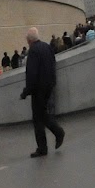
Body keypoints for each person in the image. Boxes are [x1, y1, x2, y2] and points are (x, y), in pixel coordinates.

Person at [21, 28, 65, 158]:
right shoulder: (47, 47)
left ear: (29, 40)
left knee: (38, 118)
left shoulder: (33, 51)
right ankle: (56, 134)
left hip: (38, 89)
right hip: (48, 86)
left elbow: (32, 73)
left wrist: (26, 91)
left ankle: (44, 145)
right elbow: (53, 64)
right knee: (43, 114)